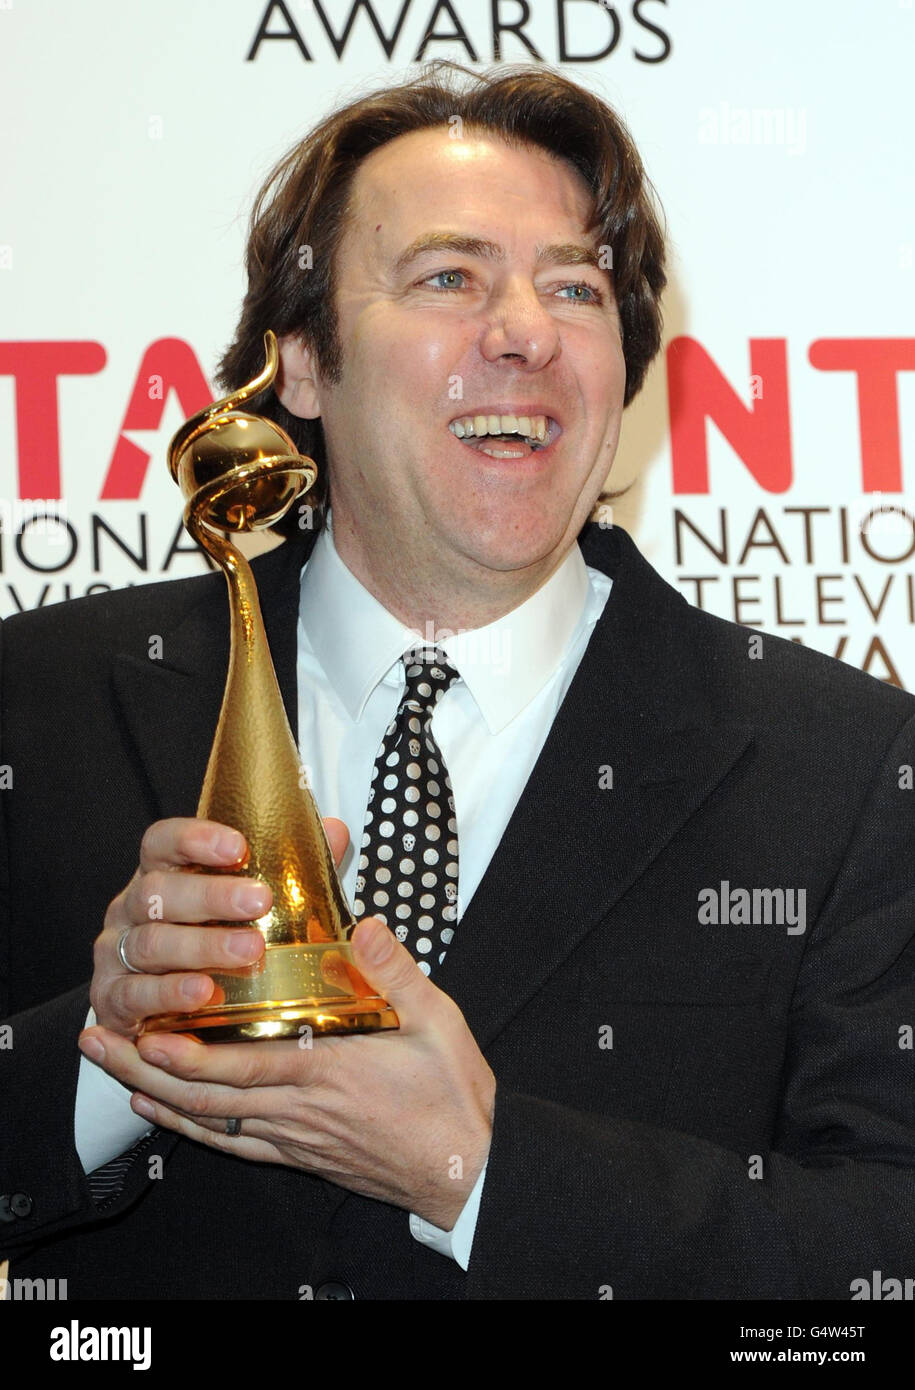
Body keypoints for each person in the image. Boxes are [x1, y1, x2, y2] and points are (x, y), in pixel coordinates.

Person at [1, 61, 913, 1302]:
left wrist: (481, 1170)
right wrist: (112, 1054)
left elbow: (882, 1254)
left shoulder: (848, 768)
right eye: (449, 276)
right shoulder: (39, 700)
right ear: (303, 369)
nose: (528, 330)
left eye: (575, 288)